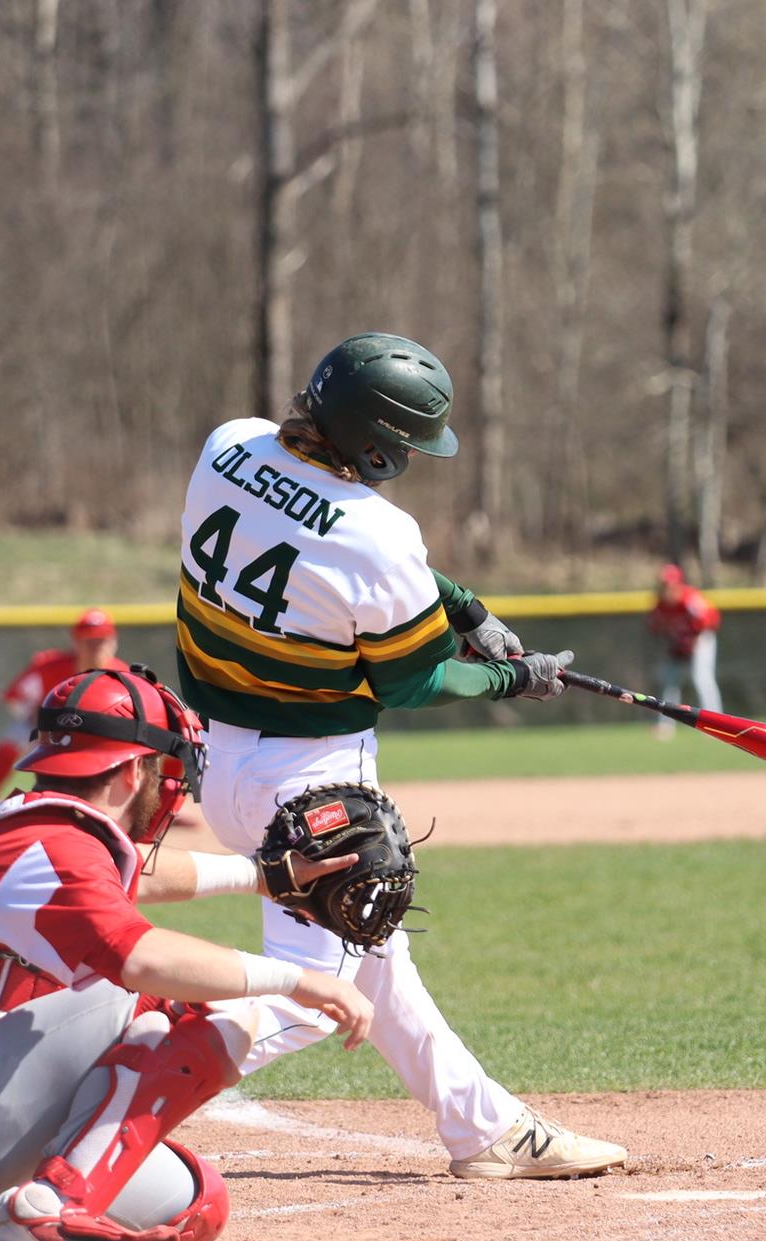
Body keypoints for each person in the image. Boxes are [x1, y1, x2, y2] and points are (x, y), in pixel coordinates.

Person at [174, 331, 626, 1180]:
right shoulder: (379, 534)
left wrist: (464, 604)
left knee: (376, 955)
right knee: (313, 995)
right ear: (376, 443)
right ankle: (98, 1078)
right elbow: (415, 682)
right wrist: (511, 676)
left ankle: (483, 1129)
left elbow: (346, 542)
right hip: (310, 784)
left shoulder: (227, 443)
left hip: (213, 757)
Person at [0, 667, 372, 1241]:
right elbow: (141, 959)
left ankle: (12, 1209)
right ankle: (53, 1209)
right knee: (187, 1000)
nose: (169, 787)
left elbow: (132, 877)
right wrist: (296, 978)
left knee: (196, 1202)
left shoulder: (29, 831)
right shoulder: (51, 847)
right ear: (134, 772)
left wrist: (263, 876)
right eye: (165, 771)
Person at [0, 609, 124, 815]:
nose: (95, 647)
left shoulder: (123, 675)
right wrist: (37, 717)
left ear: (113, 643)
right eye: (89, 641)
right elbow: (14, 698)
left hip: (96, 733)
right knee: (10, 742)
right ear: (76, 642)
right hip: (45, 726)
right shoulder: (49, 666)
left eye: (101, 641)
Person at [646, 563, 723, 736]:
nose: (665, 588)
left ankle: (717, 724)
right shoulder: (661, 605)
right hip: (678, 643)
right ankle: (665, 725)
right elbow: (655, 627)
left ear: (678, 584)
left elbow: (711, 620)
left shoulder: (689, 598)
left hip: (701, 639)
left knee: (701, 679)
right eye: (663, 585)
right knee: (669, 681)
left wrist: (694, 641)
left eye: (669, 585)